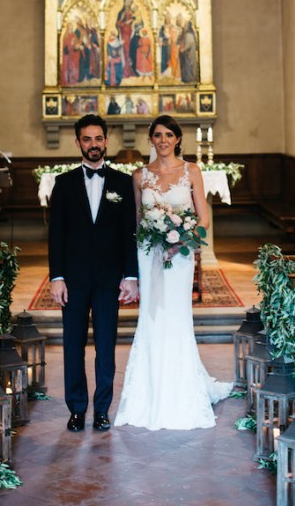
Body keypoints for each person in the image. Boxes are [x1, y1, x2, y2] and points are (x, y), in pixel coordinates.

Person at [115, 115, 232, 430]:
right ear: (151, 140)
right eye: (157, 135)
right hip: (148, 255)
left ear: (178, 139)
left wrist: (184, 241)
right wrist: (145, 248)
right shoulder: (140, 176)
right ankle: (147, 394)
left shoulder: (192, 171)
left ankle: (181, 391)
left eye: (169, 135)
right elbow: (137, 221)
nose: (163, 140)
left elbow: (203, 218)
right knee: (151, 317)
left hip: (179, 258)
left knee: (177, 318)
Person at [49, 114, 139, 433]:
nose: (93, 145)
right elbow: (56, 235)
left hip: (109, 279)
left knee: (106, 346)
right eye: (87, 139)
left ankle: (102, 409)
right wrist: (56, 277)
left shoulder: (122, 183)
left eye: (98, 139)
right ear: (78, 143)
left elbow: (131, 232)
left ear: (106, 141)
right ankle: (76, 409)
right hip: (73, 280)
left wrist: (131, 275)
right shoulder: (63, 184)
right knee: (73, 345)